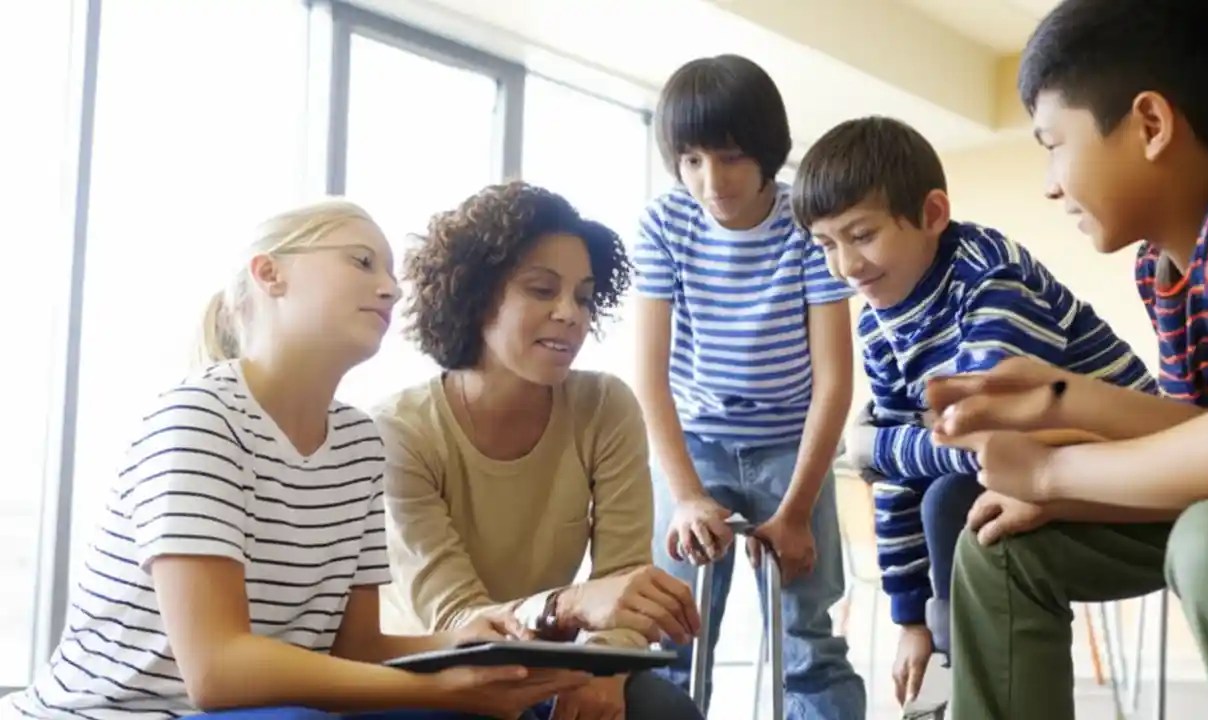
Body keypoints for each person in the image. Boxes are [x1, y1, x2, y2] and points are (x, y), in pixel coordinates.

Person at [3, 199, 593, 720]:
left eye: (390, 272)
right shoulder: (201, 416)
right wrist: (442, 690)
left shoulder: (361, 442)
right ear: (270, 274)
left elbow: (354, 651)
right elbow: (215, 671)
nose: (389, 287)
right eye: (362, 262)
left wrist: (455, 644)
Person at [922, 1, 1208, 719]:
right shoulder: (1164, 268)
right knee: (1001, 538)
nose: (1051, 183)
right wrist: (1057, 399)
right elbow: (1195, 435)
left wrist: (1056, 469)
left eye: (1054, 143)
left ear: (1150, 125)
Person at [789, 115, 1155, 707]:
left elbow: (984, 440)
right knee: (943, 496)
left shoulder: (992, 278)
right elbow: (900, 482)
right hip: (1027, 477)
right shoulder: (881, 328)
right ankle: (948, 670)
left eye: (862, 235)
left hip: (1129, 465)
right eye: (827, 245)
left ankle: (958, 679)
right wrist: (910, 620)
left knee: (954, 494)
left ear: (933, 215)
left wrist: (871, 448)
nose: (846, 266)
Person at [373, 181, 704, 720]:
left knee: (662, 711)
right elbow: (459, 620)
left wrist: (600, 669)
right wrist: (567, 605)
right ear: (478, 297)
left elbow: (626, 582)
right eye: (542, 289)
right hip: (436, 675)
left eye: (583, 295)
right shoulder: (398, 432)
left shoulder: (605, 407)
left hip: (541, 663)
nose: (571, 313)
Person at [633, 54, 866, 720]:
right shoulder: (667, 223)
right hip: (695, 444)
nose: (712, 180)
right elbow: (650, 375)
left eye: (731, 157)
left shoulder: (804, 226)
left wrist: (794, 512)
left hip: (792, 445)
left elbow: (835, 382)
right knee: (670, 634)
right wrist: (684, 496)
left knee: (807, 640)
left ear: (765, 153)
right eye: (692, 161)